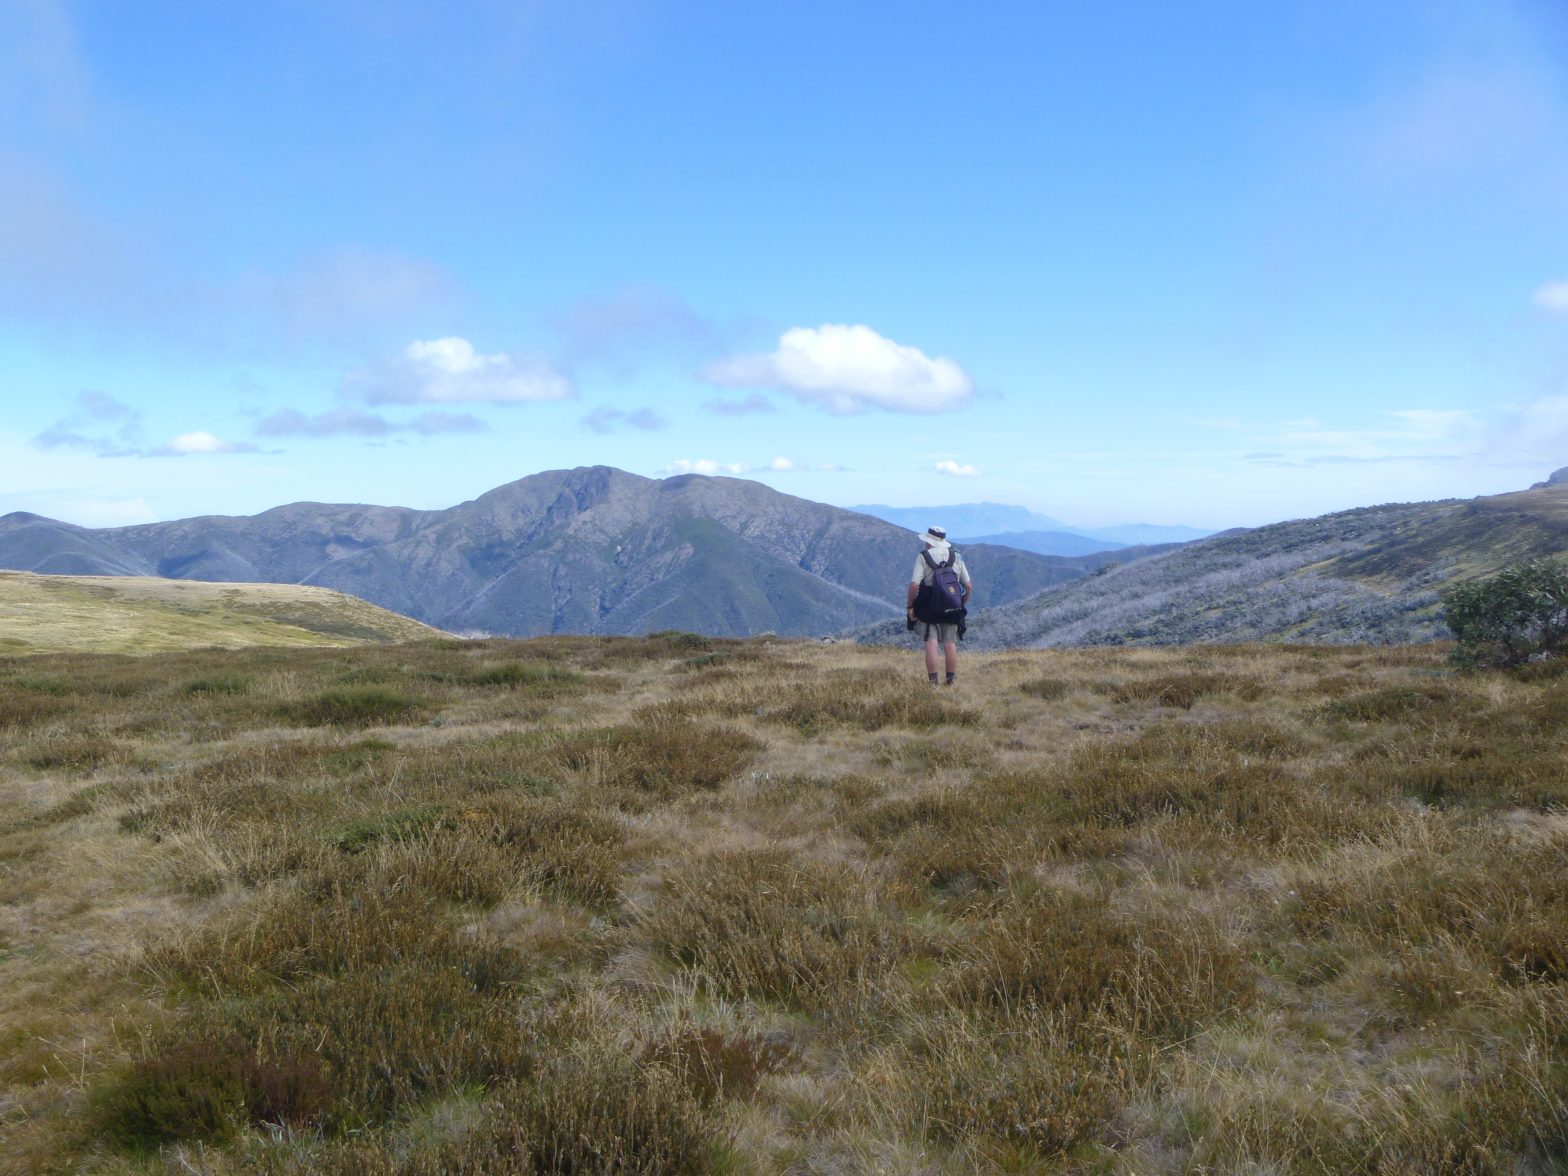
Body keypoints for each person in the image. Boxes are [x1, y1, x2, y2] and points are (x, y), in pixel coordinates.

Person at [906, 526, 973, 685]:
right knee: (950, 644)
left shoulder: (923, 557)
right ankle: (950, 681)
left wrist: (910, 606)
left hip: (928, 604)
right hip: (952, 603)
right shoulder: (956, 556)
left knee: (931, 643)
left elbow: (915, 585)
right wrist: (961, 604)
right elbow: (968, 586)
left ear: (929, 542)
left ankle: (933, 683)